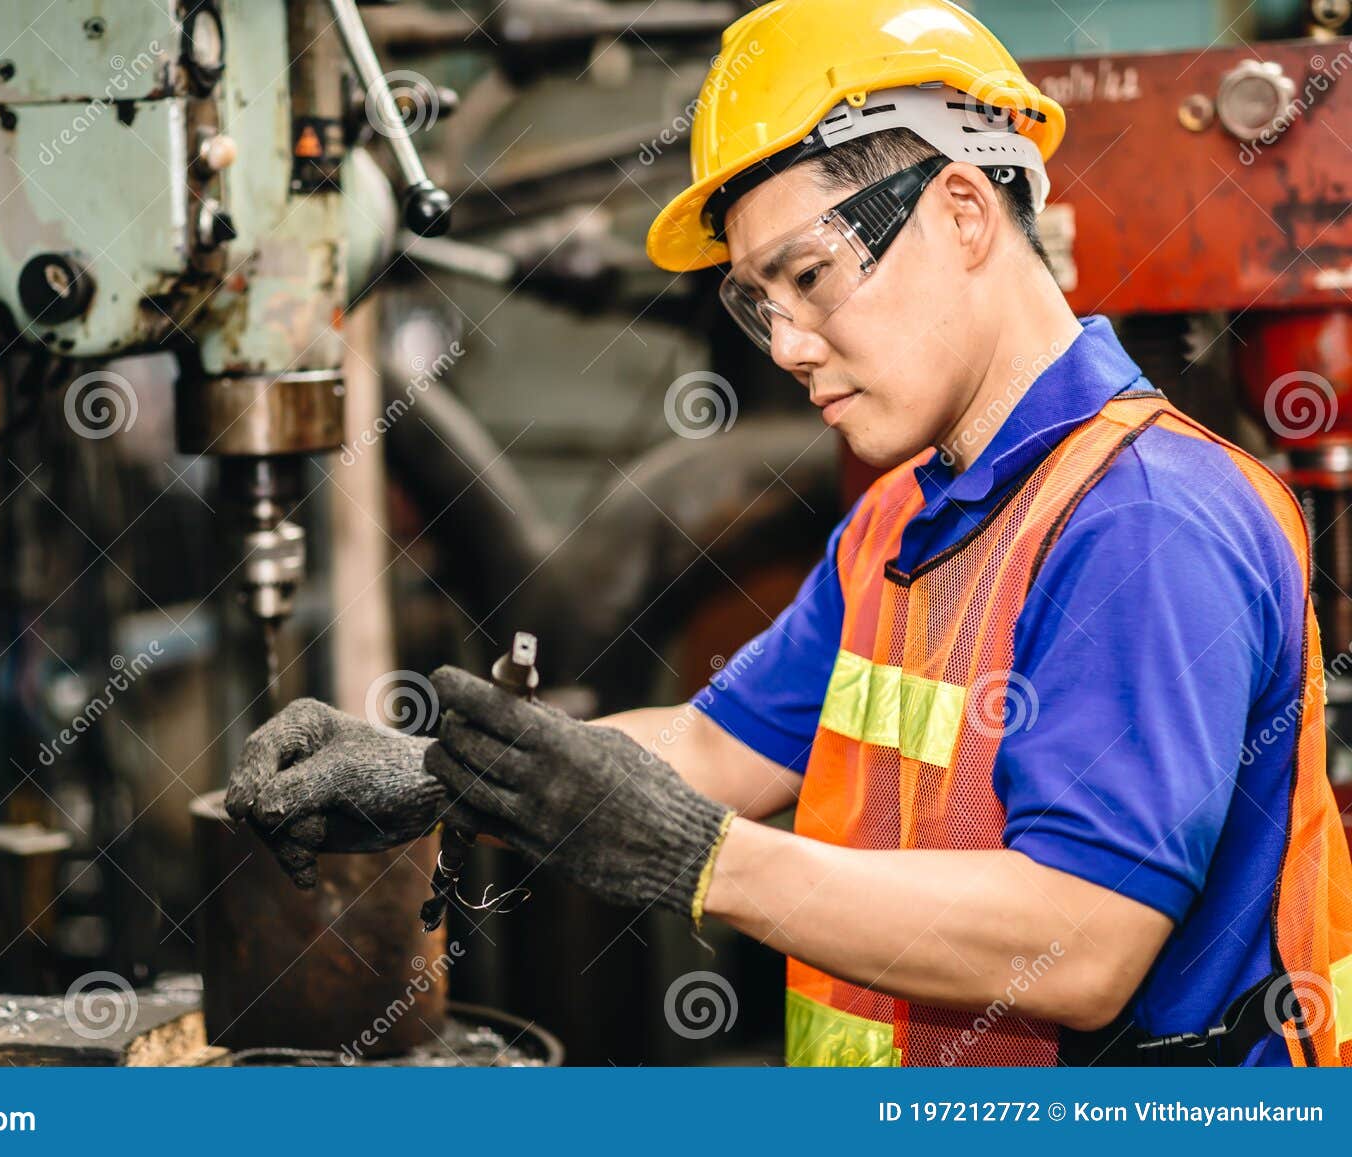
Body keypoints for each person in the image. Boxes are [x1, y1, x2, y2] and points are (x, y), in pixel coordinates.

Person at [225, 0, 1352, 1066]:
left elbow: (1082, 942)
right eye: (759, 302)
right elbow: (715, 749)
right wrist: (439, 776)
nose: (787, 344)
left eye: (809, 276)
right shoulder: (899, 521)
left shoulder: (1144, 518)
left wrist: (700, 858)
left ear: (963, 212)